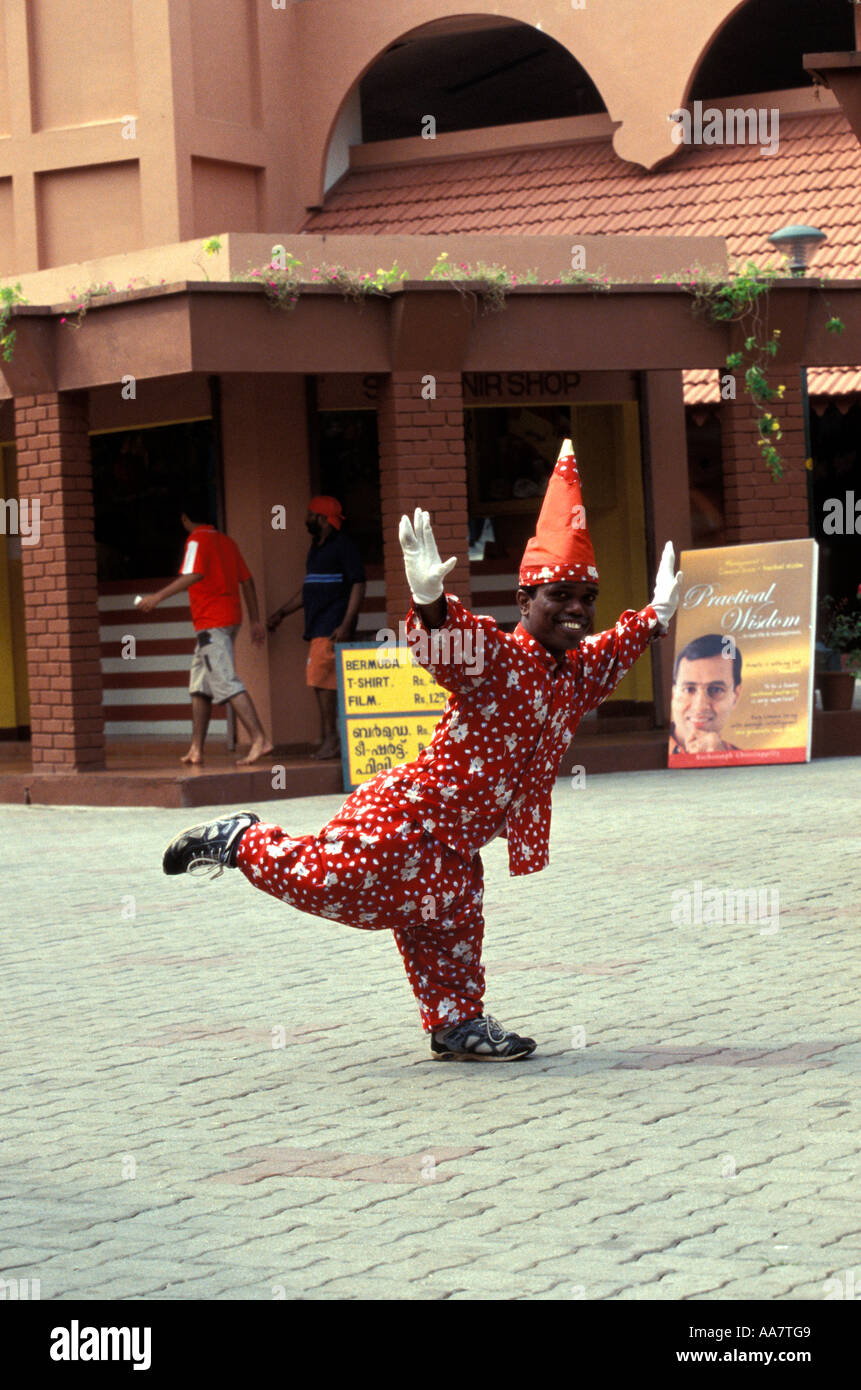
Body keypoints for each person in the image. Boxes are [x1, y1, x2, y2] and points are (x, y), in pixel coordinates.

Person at [161, 443, 682, 1061]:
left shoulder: (575, 671)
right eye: (558, 595)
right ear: (523, 603)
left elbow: (614, 647)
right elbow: (448, 642)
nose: (575, 609)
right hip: (410, 819)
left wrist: (656, 614)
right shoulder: (497, 657)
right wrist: (431, 602)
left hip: (462, 844)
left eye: (584, 598)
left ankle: (457, 1025)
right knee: (331, 884)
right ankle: (242, 839)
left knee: (452, 934)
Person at [138, 505, 273, 767]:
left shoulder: (196, 540)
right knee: (199, 686)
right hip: (226, 621)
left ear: (185, 517)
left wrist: (157, 597)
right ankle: (196, 749)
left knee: (225, 680)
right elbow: (247, 581)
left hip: (212, 624)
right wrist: (255, 619)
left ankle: (260, 739)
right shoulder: (226, 542)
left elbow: (194, 574)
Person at [267, 496, 365, 760]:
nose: (307, 519)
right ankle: (328, 737)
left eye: (311, 515)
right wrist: (282, 613)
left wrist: (346, 624)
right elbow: (309, 589)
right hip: (318, 625)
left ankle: (331, 740)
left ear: (322, 519)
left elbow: (358, 583)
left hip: (331, 626)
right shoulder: (316, 548)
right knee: (321, 682)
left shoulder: (343, 546)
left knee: (322, 682)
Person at [669, 634, 743, 755]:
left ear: (735, 696)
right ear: (673, 693)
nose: (700, 706)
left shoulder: (742, 760)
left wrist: (722, 760)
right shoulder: (649, 750)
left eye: (715, 690)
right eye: (689, 689)